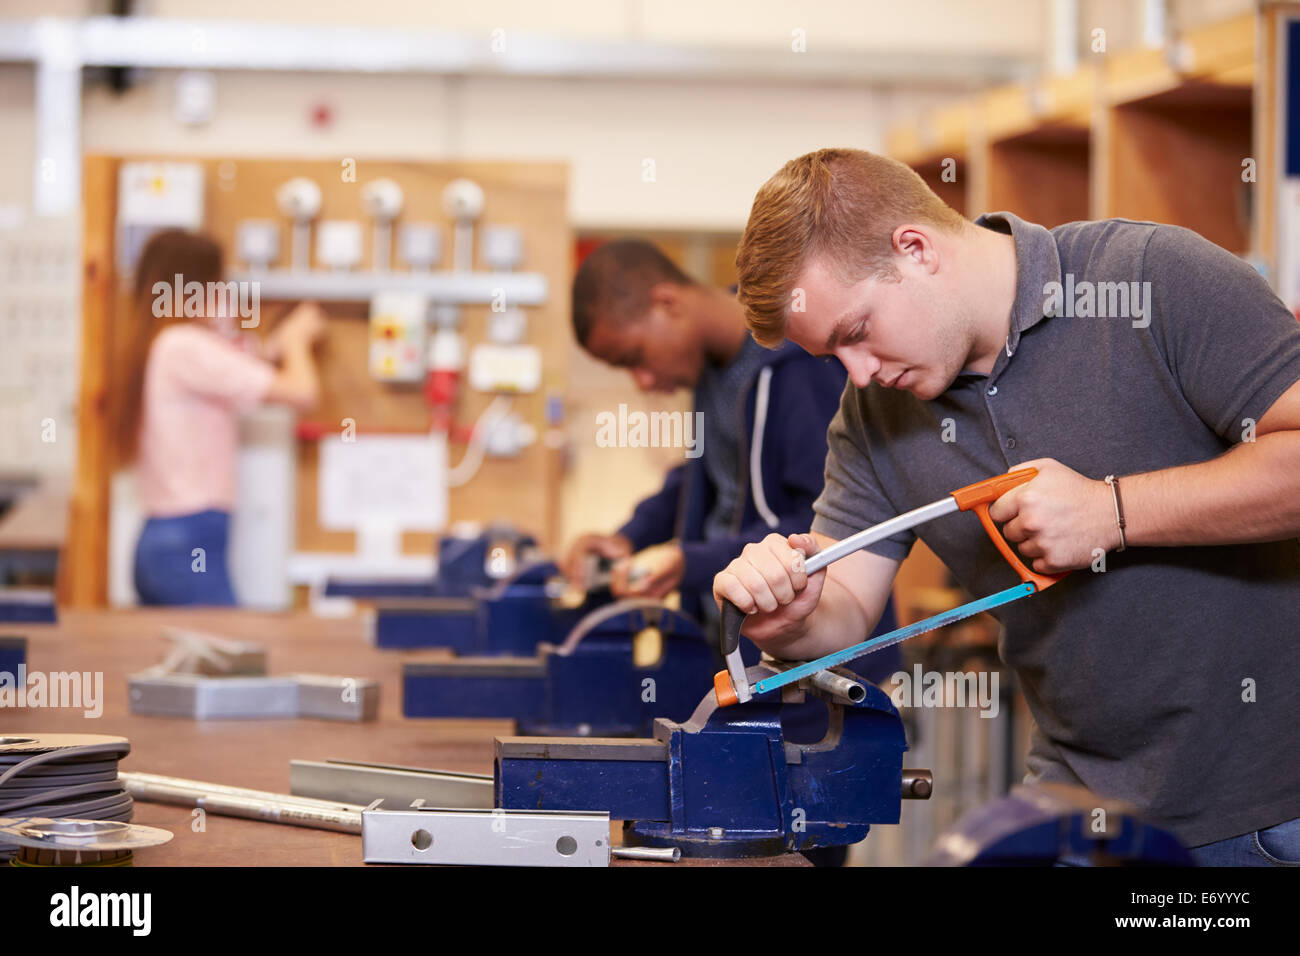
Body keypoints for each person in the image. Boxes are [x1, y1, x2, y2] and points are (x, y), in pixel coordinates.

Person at [713, 146, 1300, 865]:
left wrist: (1112, 513)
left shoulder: (1152, 278)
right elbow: (845, 612)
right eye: (832, 358)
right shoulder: (874, 417)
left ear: (916, 249)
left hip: (1277, 812)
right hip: (1079, 809)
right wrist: (793, 616)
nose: (859, 374)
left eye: (857, 333)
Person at [562, 239, 899, 685]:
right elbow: (702, 479)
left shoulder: (798, 367)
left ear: (667, 304)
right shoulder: (713, 372)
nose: (643, 380)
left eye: (635, 358)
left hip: (821, 671)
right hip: (743, 653)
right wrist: (628, 540)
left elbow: (823, 525)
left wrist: (690, 562)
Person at [116, 229, 325, 606]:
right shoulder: (186, 346)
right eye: (218, 283)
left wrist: (275, 345)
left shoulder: (167, 346)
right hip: (188, 541)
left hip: (170, 540)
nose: (224, 295)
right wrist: (298, 341)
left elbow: (244, 364)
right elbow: (302, 391)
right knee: (231, 661)